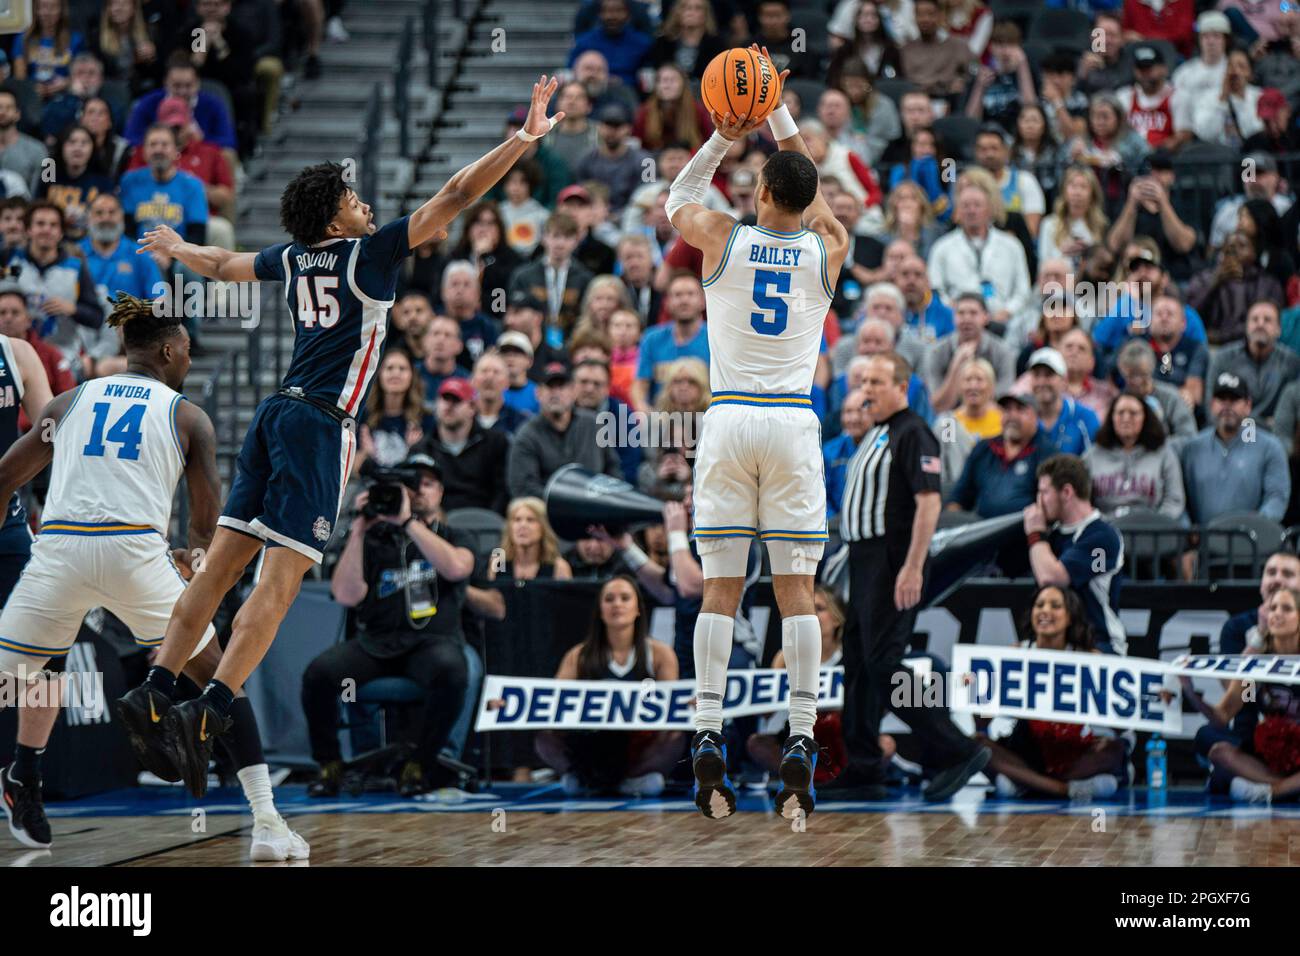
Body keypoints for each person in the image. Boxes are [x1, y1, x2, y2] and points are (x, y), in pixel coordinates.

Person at [112, 74, 569, 795]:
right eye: (356, 201)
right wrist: (523, 137)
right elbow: (452, 197)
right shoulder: (369, 255)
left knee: (222, 567)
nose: (368, 206)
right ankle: (212, 710)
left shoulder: (294, 259)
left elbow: (228, 266)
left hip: (272, 414)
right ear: (334, 220)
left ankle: (153, 686)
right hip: (322, 424)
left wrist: (177, 250)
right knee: (282, 581)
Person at [0, 294, 306, 859]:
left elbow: (3, 476)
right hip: (135, 556)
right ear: (169, 350)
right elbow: (206, 520)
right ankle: (266, 821)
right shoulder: (188, 415)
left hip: (59, 554)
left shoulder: (67, 402)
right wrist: (197, 569)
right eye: (187, 345)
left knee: (8, 680)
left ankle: (23, 771)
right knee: (221, 678)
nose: (190, 355)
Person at [664, 52, 851, 821]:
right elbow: (821, 203)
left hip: (730, 418)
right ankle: (801, 739)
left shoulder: (724, 239)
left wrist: (723, 133)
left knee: (721, 588)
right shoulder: (824, 250)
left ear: (762, 191)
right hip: (793, 422)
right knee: (795, 591)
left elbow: (678, 200)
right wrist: (775, 117)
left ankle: (707, 727)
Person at [833, 351, 990, 800]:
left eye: (877, 383)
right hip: (864, 559)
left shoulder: (914, 432)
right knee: (859, 664)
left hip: (891, 559)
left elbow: (928, 503)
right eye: (863, 383)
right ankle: (862, 764)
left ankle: (957, 749)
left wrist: (912, 565)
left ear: (903, 387)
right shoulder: (876, 433)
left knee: (883, 662)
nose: (867, 392)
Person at [308, 454, 476, 797]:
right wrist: (358, 530)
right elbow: (345, 594)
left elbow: (458, 569)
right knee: (320, 675)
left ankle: (421, 763)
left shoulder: (454, 534)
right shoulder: (372, 539)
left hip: (430, 644)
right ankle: (330, 764)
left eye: (426, 484)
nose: (417, 492)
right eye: (409, 485)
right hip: (375, 646)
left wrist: (408, 523)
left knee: (453, 671)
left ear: (440, 492)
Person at [536, 575, 684, 796]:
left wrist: (687, 703)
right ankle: (585, 777)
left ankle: (630, 780)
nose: (617, 604)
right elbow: (553, 701)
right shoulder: (579, 655)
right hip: (592, 741)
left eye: (625, 598)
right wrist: (509, 704)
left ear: (638, 609)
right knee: (544, 736)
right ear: (599, 610)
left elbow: (672, 710)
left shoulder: (660, 654)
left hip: (639, 743)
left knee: (675, 735)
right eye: (609, 599)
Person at [977, 584, 1125, 800]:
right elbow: (982, 725)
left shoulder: (1090, 658)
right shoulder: (1016, 653)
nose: (1045, 611)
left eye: (1055, 606)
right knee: (977, 746)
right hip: (1026, 751)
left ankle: (1025, 785)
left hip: (1072, 752)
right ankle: (1065, 790)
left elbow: (1120, 725)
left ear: (1070, 617)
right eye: (1039, 605)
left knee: (1115, 750)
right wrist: (977, 692)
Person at [1184, 586, 1300, 805]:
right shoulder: (1256, 666)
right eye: (1273, 608)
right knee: (1220, 752)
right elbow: (1223, 716)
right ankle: (1288, 789)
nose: (1277, 614)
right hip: (1273, 758)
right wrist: (1190, 691)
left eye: (1287, 609)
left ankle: (1272, 791)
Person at [747, 586, 851, 785]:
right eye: (806, 611)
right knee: (756, 744)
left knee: (885, 745)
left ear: (836, 619)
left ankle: (834, 774)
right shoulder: (787, 655)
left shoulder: (849, 656)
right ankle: (804, 774)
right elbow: (766, 710)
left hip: (840, 736)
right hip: (799, 735)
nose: (811, 617)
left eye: (819, 609)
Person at [1023, 453, 1126, 654]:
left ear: (1067, 492)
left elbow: (1051, 579)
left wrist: (1035, 533)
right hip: (1057, 646)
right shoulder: (1052, 534)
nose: (1039, 502)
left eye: (1044, 493)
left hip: (1100, 645)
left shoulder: (1102, 537)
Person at [1180, 373, 1290, 527]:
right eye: (1221, 399)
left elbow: (1276, 497)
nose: (1227, 405)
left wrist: (1256, 528)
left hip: (1251, 543)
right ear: (1211, 404)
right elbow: (1180, 498)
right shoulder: (1193, 447)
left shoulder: (1269, 446)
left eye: (1234, 399)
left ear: (1248, 405)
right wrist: (1188, 530)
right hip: (1202, 542)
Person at [506, 360, 623, 499]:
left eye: (561, 387)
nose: (555, 393)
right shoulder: (526, 434)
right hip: (546, 515)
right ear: (538, 393)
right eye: (550, 387)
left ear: (573, 392)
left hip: (595, 511)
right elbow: (523, 488)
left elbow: (613, 471)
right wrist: (567, 504)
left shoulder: (594, 425)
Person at [947, 389, 1054, 518]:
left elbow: (1051, 506)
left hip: (1023, 530)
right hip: (982, 529)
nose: (1012, 416)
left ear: (1036, 416)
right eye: (1007, 410)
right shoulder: (984, 448)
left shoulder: (1047, 453)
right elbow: (959, 496)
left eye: (1020, 409)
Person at [1083, 393, 1185, 520]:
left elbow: (1174, 499)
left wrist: (1159, 524)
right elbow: (1082, 502)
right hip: (1105, 532)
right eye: (1120, 413)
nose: (1126, 418)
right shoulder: (1092, 456)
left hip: (1153, 533)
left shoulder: (1164, 454)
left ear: (1145, 418)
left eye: (1133, 413)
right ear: (1111, 417)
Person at [1204, 300, 1300, 427]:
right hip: (1229, 432)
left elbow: (1290, 417)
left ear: (1279, 329)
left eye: (1267, 320)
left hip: (1274, 439)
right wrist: (1265, 423)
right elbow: (1210, 407)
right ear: (1246, 326)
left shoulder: (1291, 362)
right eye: (1255, 319)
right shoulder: (1223, 358)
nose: (1260, 324)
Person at [422, 376, 511, 513]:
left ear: (472, 408)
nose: (449, 406)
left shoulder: (496, 443)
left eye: (456, 400)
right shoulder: (423, 448)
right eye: (445, 399)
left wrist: (491, 521)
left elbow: (503, 490)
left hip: (484, 523)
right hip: (437, 523)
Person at [1219, 550, 1300, 655]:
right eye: (1271, 573)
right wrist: (1260, 634)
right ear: (1261, 584)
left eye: (1287, 574)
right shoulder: (1235, 627)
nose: (1277, 579)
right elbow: (1230, 670)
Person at [1027, 347, 1098, 455]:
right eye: (1036, 375)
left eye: (1048, 375)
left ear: (1064, 380)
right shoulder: (1023, 417)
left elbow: (1095, 463)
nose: (1041, 382)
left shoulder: (1084, 417)